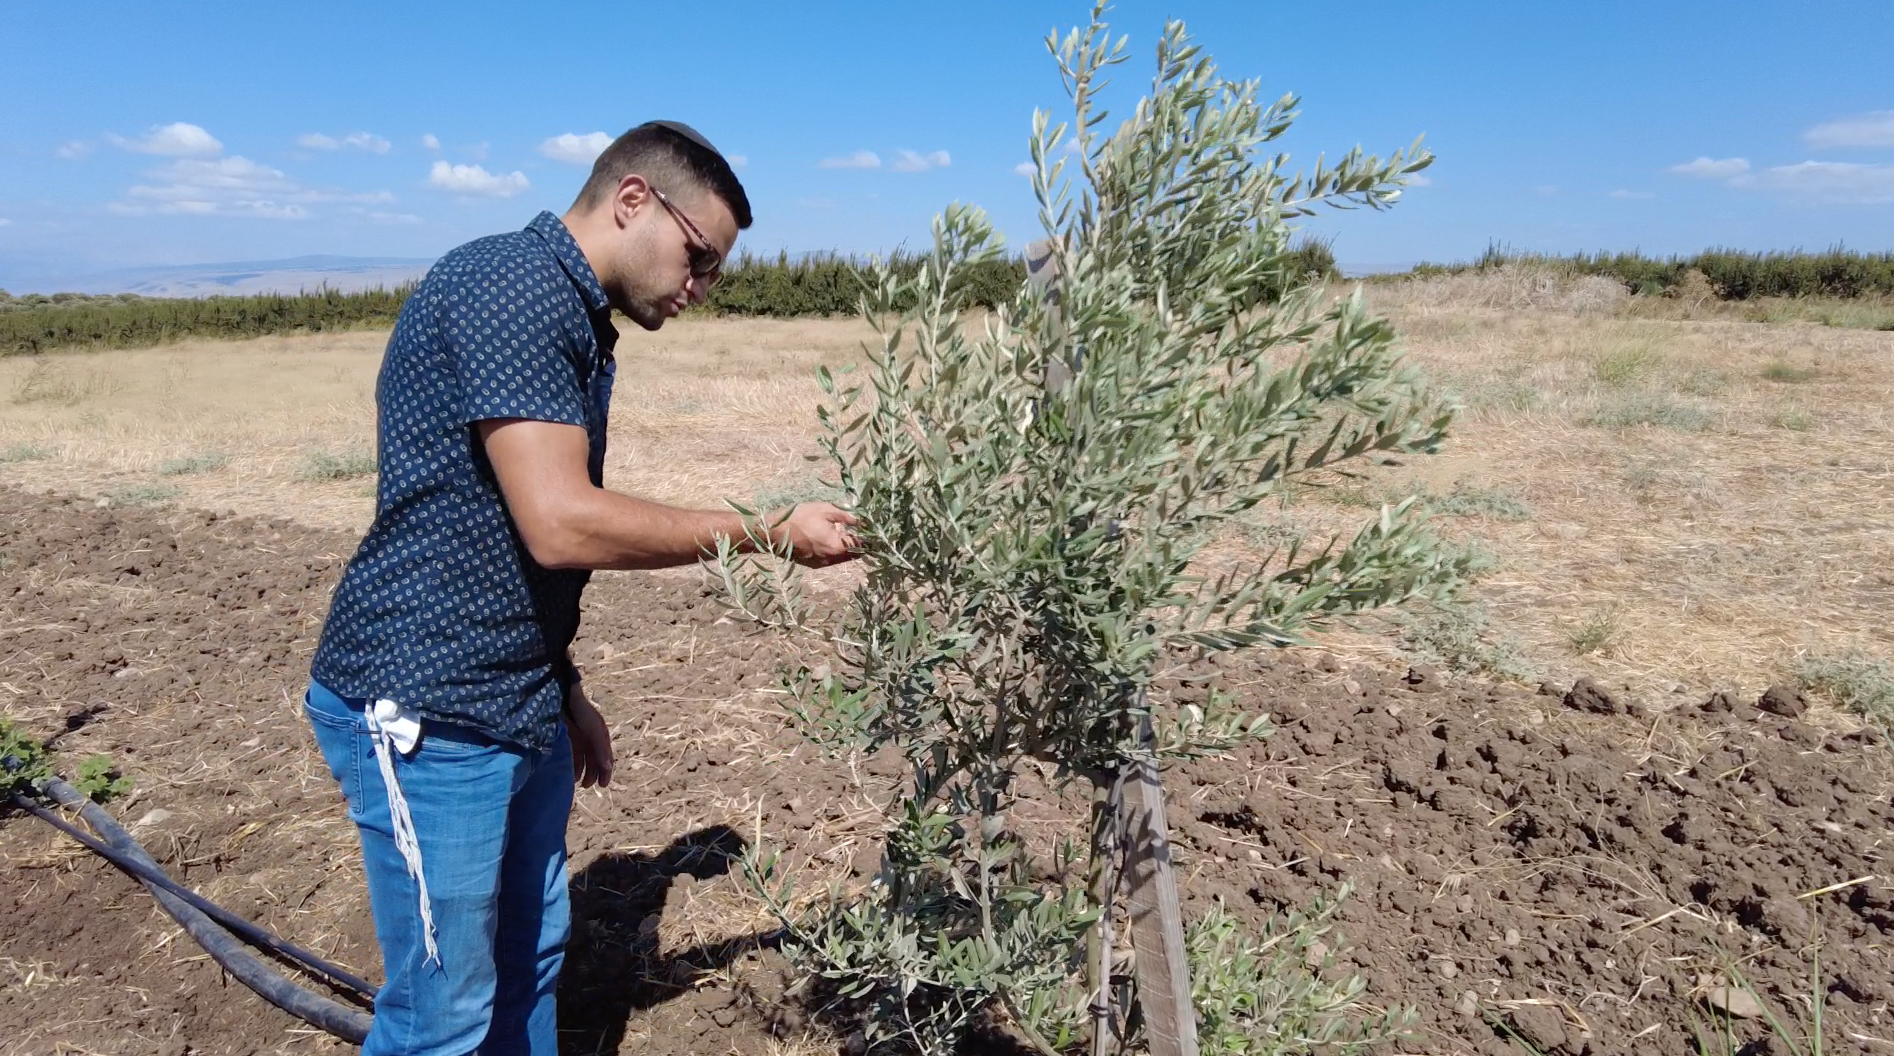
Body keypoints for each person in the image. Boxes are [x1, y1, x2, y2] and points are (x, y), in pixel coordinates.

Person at [301, 120, 857, 1055]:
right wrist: (765, 535)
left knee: (529, 960)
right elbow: (560, 523)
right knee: (441, 1017)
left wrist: (561, 686)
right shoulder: (509, 286)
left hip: (513, 697)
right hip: (427, 709)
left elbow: (494, 538)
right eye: (701, 256)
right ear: (634, 199)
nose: (701, 287)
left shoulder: (571, 314)